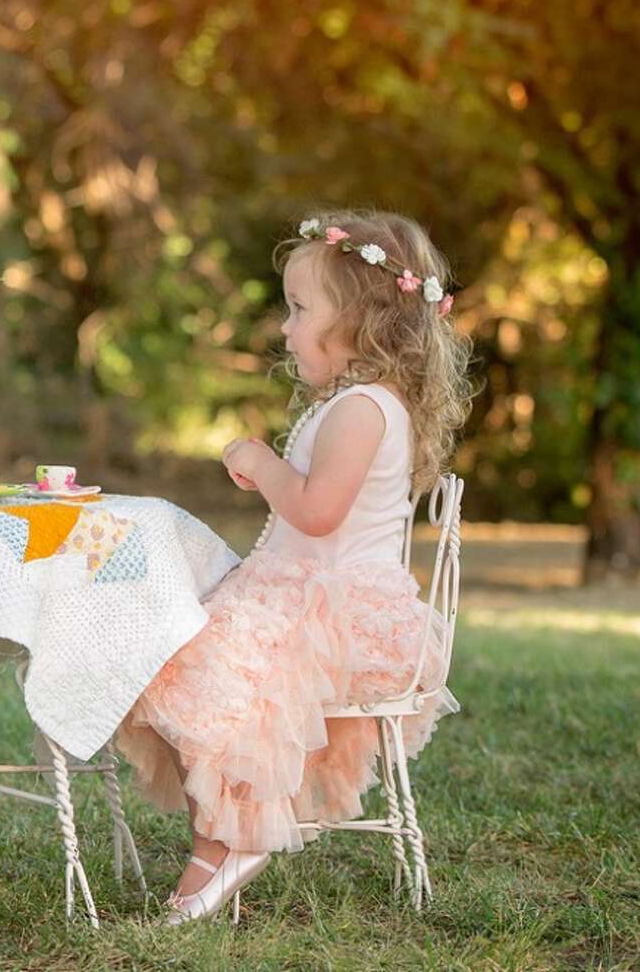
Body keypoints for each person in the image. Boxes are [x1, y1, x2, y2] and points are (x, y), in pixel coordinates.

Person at [113, 209, 476, 924]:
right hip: (306, 602)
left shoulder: (363, 411)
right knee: (178, 653)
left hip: (335, 617)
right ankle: (224, 836)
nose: (285, 327)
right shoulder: (355, 405)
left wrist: (262, 463)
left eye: (300, 309)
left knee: (201, 670)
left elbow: (317, 513)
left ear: (361, 321)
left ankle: (225, 844)